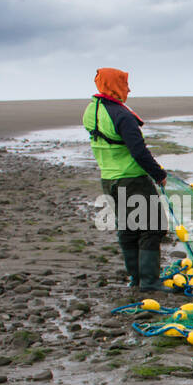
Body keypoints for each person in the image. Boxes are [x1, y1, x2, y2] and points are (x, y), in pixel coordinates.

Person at [82, 68, 168, 293]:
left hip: (108, 180)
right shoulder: (122, 115)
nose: (128, 89)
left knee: (128, 228)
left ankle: (136, 278)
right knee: (153, 227)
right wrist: (159, 174)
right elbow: (139, 152)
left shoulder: (92, 110)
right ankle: (149, 281)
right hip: (132, 180)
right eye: (125, 84)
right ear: (114, 85)